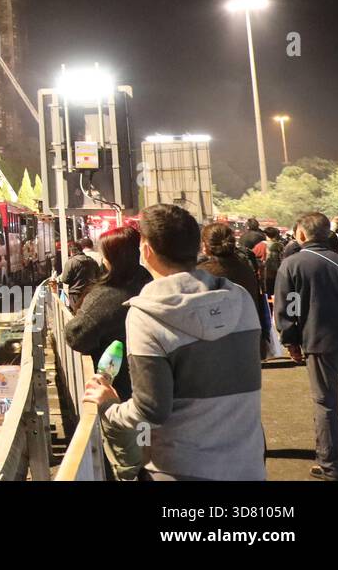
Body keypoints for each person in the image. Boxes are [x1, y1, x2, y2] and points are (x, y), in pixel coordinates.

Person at [85, 203, 265, 481]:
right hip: (247, 467)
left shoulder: (146, 313)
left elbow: (151, 409)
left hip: (179, 469)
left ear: (146, 250)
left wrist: (110, 407)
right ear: (197, 247)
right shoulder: (240, 299)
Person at [63, 226, 151, 480]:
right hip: (158, 392)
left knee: (124, 463)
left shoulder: (106, 296)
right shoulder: (149, 283)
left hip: (118, 394)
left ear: (109, 258)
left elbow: (76, 335)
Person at [273, 212, 338, 480]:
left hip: (319, 342)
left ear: (301, 234)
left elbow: (290, 305)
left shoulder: (292, 264)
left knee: (326, 405)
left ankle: (330, 467)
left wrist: (290, 339)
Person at [198, 222, 271, 359]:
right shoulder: (246, 270)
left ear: (205, 246)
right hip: (248, 341)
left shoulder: (201, 273)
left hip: (214, 347)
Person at [59, 237, 102, 313]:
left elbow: (65, 280)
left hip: (75, 294)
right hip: (90, 292)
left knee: (76, 314)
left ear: (71, 251)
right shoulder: (91, 260)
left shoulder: (71, 262)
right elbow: (98, 276)